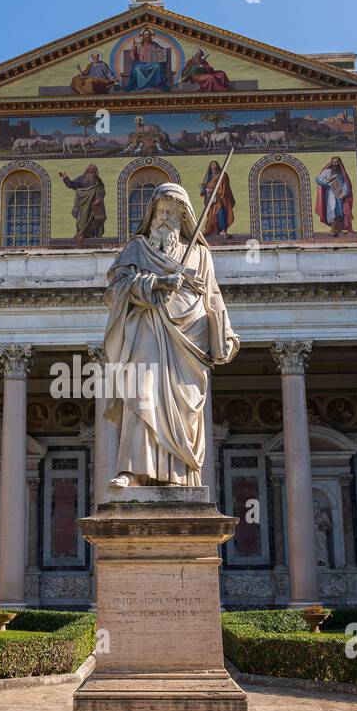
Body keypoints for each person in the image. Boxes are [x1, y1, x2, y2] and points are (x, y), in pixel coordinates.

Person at [103, 183, 239, 487]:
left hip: (190, 337)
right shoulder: (137, 248)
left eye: (171, 213)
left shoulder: (201, 255)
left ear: (183, 218)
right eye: (160, 212)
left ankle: (181, 476)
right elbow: (115, 289)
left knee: (184, 403)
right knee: (142, 390)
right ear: (151, 215)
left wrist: (225, 335)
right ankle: (132, 469)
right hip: (148, 326)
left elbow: (212, 298)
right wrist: (157, 282)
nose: (164, 218)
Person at [59, 164, 107, 239]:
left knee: (95, 221)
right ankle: (81, 234)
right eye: (90, 170)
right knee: (82, 220)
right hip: (83, 205)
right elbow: (72, 185)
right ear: (87, 171)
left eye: (93, 170)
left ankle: (93, 236)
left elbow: (101, 190)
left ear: (96, 172)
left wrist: (98, 198)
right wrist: (66, 179)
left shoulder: (98, 181)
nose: (91, 172)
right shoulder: (81, 179)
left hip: (94, 206)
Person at [314, 156, 353, 235]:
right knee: (332, 210)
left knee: (340, 212)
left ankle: (338, 229)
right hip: (331, 194)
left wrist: (344, 193)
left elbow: (346, 184)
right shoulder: (327, 172)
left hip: (339, 195)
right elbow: (318, 179)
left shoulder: (342, 173)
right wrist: (327, 181)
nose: (335, 164)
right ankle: (333, 229)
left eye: (336, 162)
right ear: (331, 163)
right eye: (333, 162)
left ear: (339, 163)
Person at [200, 160, 235, 238]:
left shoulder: (223, 175)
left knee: (221, 213)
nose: (214, 166)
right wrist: (205, 190)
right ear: (210, 168)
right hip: (212, 201)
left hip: (221, 200)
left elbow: (223, 188)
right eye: (212, 165)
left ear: (218, 166)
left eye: (215, 165)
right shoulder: (210, 178)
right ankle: (215, 230)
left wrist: (213, 190)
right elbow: (205, 189)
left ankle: (224, 231)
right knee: (212, 216)